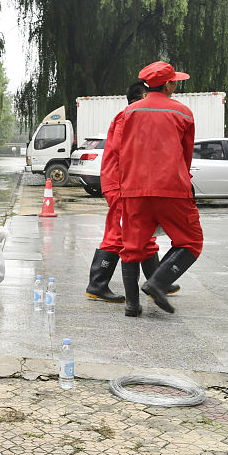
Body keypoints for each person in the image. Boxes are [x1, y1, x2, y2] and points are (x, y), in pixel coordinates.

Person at [117, 61, 203, 316]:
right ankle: (157, 282)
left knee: (132, 246)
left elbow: (122, 150)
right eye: (175, 80)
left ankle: (132, 306)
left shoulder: (129, 113)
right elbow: (186, 154)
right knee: (191, 241)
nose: (176, 84)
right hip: (171, 187)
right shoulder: (183, 113)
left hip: (134, 188)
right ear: (168, 84)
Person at [86, 80, 181, 308]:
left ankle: (156, 281)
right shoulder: (127, 117)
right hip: (122, 186)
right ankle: (97, 285)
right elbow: (124, 154)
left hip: (132, 186)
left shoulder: (137, 118)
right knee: (119, 235)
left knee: (143, 234)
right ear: (140, 99)